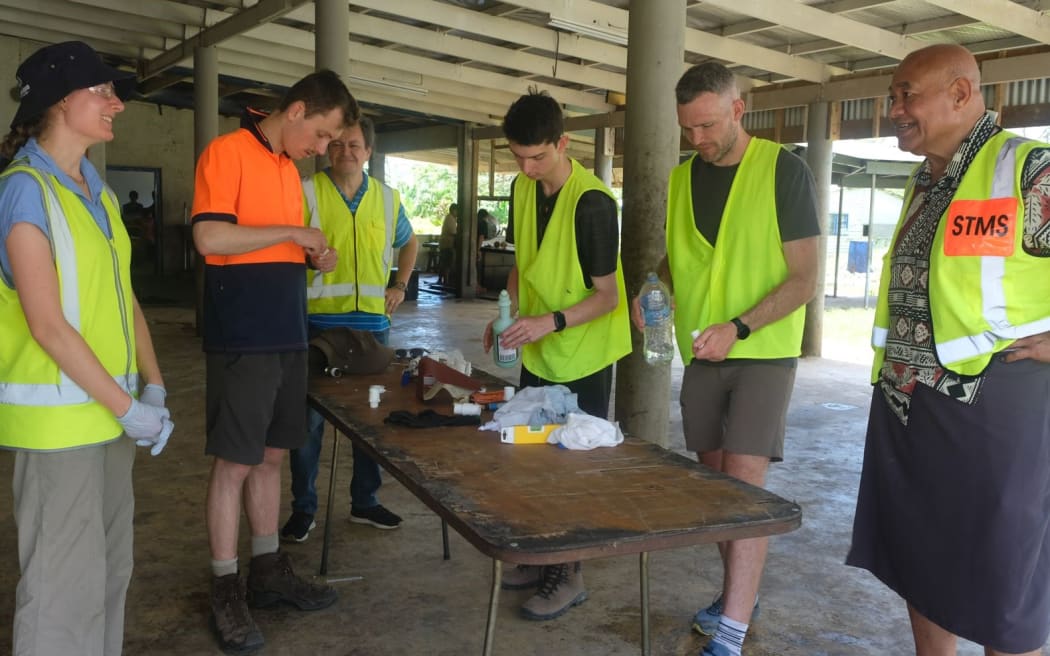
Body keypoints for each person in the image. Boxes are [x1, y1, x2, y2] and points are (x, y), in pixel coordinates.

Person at [847, 44, 1050, 656]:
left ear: (961, 93)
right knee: (921, 558)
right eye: (893, 97)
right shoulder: (926, 178)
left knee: (1001, 575)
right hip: (910, 398)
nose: (894, 109)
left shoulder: (1027, 167)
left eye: (908, 94)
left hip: (995, 401)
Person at [632, 62, 819, 656]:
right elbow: (678, 260)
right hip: (701, 353)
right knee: (716, 488)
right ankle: (741, 596)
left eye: (708, 125)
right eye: (688, 128)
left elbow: (805, 278)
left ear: (740, 109)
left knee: (744, 484)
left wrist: (739, 327)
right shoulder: (684, 177)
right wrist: (651, 289)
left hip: (761, 351)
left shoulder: (783, 170)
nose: (698, 140)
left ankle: (731, 633)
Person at [0, 41, 174, 656]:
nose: (116, 104)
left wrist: (151, 383)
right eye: (102, 91)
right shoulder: (25, 191)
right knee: (59, 594)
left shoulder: (96, 194)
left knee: (107, 576)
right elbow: (47, 326)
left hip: (108, 418)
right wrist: (129, 409)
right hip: (61, 431)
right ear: (59, 100)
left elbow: (124, 300)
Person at [191, 69, 357, 653]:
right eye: (319, 135)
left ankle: (266, 571)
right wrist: (295, 229)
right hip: (242, 336)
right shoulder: (226, 152)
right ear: (296, 110)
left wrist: (313, 255)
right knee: (234, 461)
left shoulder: (289, 169)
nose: (320, 149)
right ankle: (225, 586)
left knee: (270, 455)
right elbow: (211, 239)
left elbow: (272, 243)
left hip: (287, 332)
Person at [482, 89, 630, 621]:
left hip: (585, 350)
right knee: (531, 455)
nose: (526, 167)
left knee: (571, 463)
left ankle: (570, 574)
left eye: (538, 156)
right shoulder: (524, 188)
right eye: (518, 157)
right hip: (542, 349)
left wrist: (549, 322)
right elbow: (525, 262)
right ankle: (543, 554)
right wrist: (507, 311)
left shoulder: (592, 204)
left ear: (564, 143)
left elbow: (608, 296)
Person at [281, 115, 418, 542]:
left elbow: (409, 241)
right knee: (306, 425)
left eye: (354, 145)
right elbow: (285, 243)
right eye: (338, 144)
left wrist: (400, 285)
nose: (345, 152)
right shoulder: (306, 192)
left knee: (370, 421)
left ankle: (366, 502)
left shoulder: (387, 198)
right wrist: (308, 259)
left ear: (369, 152)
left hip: (373, 328)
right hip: (318, 324)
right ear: (327, 148)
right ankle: (303, 509)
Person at [437, 202, 457, 286]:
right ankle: (446, 281)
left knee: (443, 263)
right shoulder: (450, 219)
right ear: (454, 210)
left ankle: (441, 279)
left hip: (445, 244)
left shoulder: (451, 218)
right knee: (447, 264)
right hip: (447, 245)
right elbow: (453, 232)